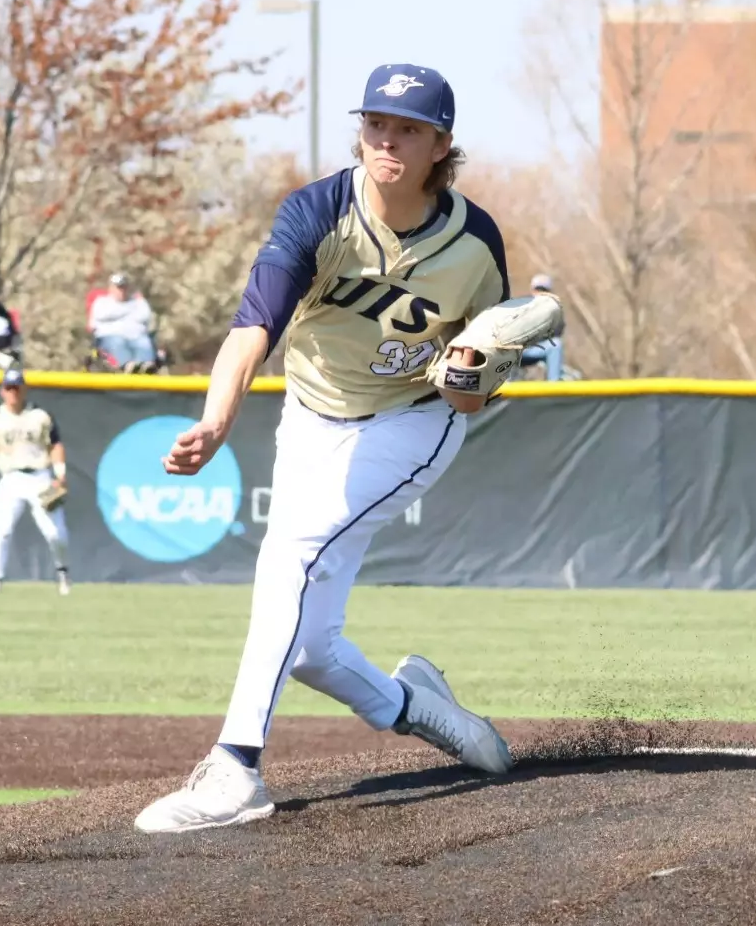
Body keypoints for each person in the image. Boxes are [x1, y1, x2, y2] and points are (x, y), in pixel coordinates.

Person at [134, 63, 516, 836]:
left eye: (408, 127)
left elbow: (483, 377)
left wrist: (471, 374)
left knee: (289, 552)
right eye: (376, 122)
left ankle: (235, 765)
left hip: (411, 422)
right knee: (307, 645)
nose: (387, 139)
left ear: (441, 143)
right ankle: (416, 705)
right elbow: (253, 328)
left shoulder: (473, 241)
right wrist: (214, 420)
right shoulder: (316, 212)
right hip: (310, 415)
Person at [0, 368, 71, 596]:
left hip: (40, 477)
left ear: (24, 389)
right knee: (1, 530)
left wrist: (60, 472)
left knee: (54, 532)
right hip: (11, 479)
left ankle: (63, 572)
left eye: (17, 387)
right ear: (1, 391)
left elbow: (55, 445)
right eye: (9, 387)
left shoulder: (40, 416)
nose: (13, 392)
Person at [87, 272, 159, 372]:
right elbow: (103, 315)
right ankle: (127, 365)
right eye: (118, 287)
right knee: (117, 341)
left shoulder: (138, 301)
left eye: (124, 287)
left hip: (136, 336)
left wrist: (122, 311)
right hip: (110, 336)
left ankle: (144, 366)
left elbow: (145, 315)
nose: (121, 291)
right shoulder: (102, 302)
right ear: (111, 288)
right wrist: (128, 310)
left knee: (143, 342)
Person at [519, 273, 565, 380]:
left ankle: (554, 387)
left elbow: (558, 330)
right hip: (518, 350)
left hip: (538, 348)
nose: (540, 293)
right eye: (538, 289)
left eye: (544, 290)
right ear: (532, 289)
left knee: (556, 345)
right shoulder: (520, 305)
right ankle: (503, 388)